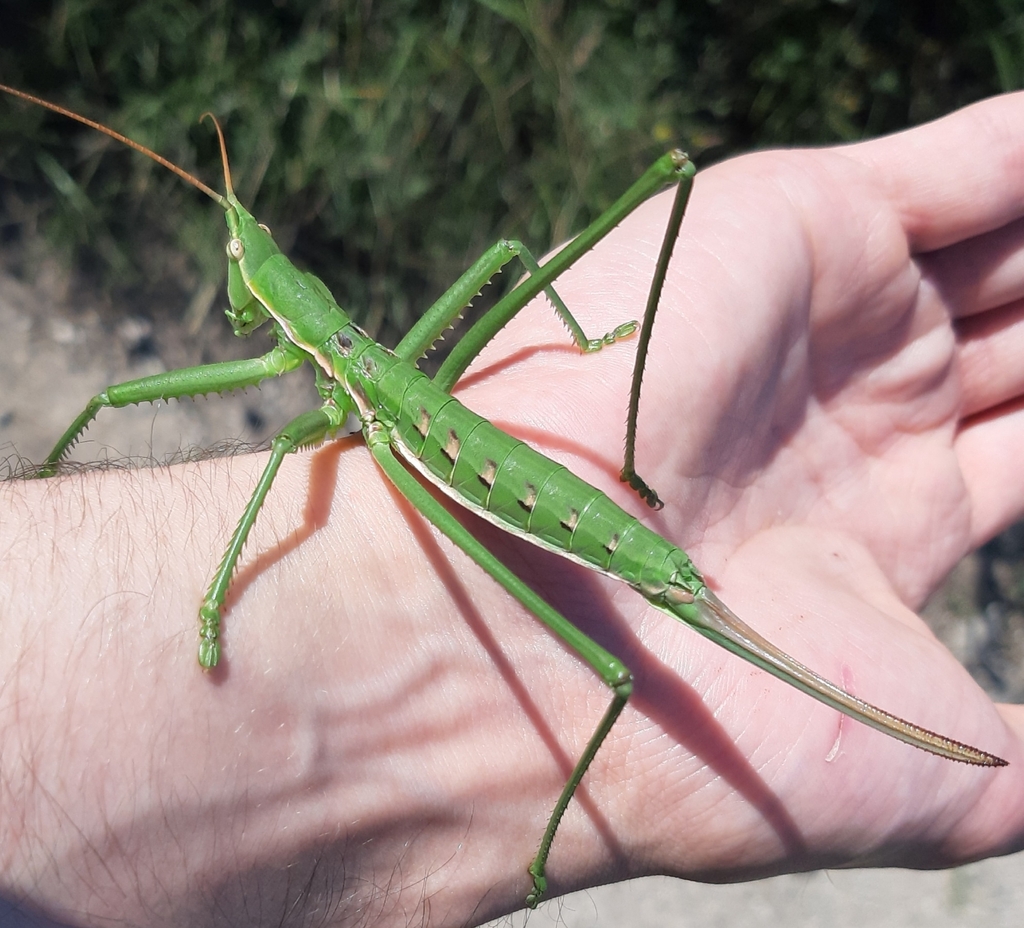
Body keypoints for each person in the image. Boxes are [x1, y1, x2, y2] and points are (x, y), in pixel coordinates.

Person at [2, 92, 1024, 928]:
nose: (242, 279)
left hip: (442, 454)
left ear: (270, 280)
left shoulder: (293, 367)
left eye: (246, 261)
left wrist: (212, 597)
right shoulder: (316, 329)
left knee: (613, 667)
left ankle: (529, 819)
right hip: (399, 400)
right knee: (494, 258)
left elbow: (267, 446)